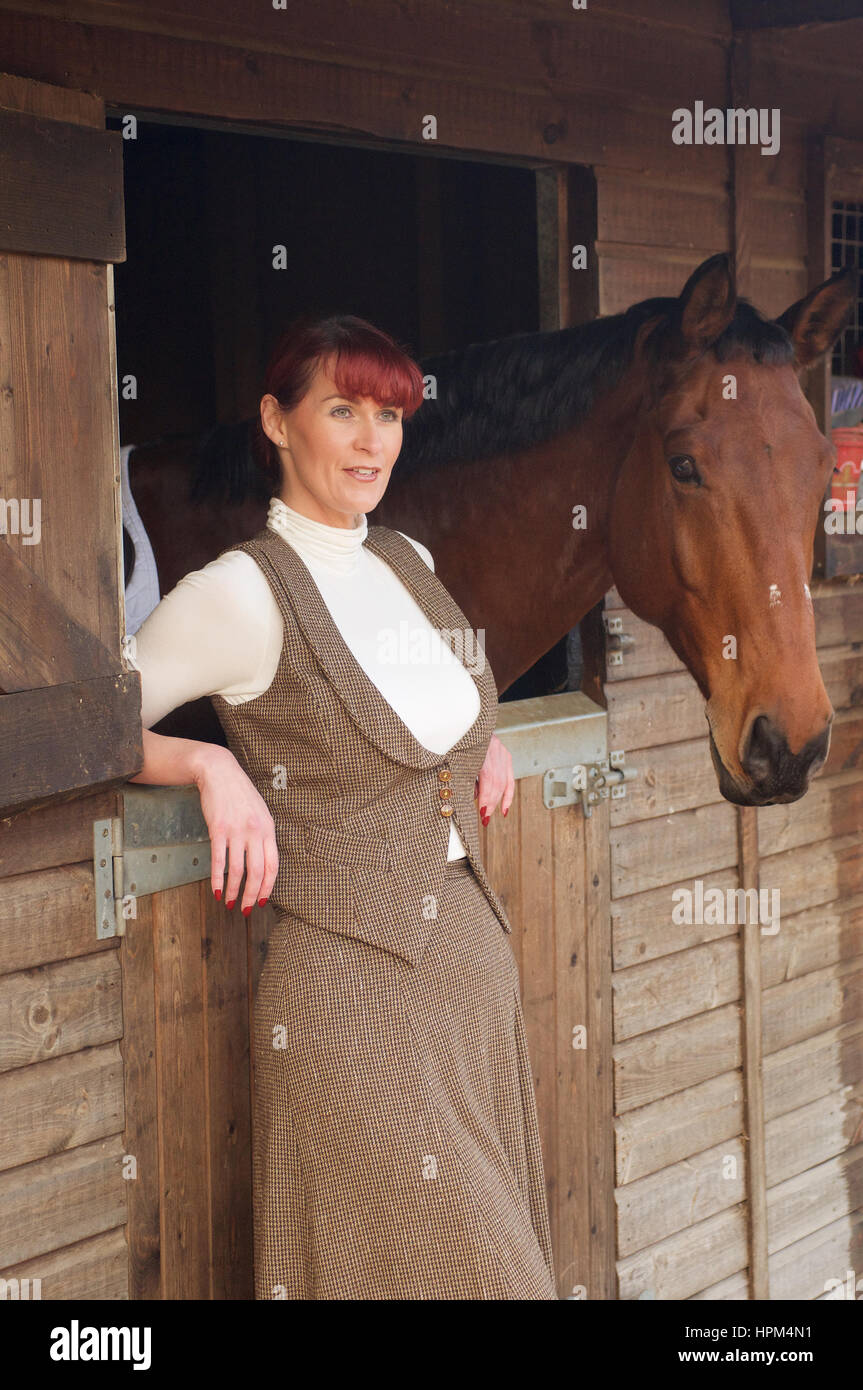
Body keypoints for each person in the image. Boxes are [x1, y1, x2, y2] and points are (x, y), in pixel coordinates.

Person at [127, 313, 557, 1300]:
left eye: (390, 415)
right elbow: (89, 725)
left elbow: (434, 705)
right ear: (277, 422)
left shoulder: (405, 559)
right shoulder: (237, 591)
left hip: (468, 977)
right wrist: (204, 763)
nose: (372, 441)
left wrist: (476, 740)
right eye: (342, 411)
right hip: (352, 1000)